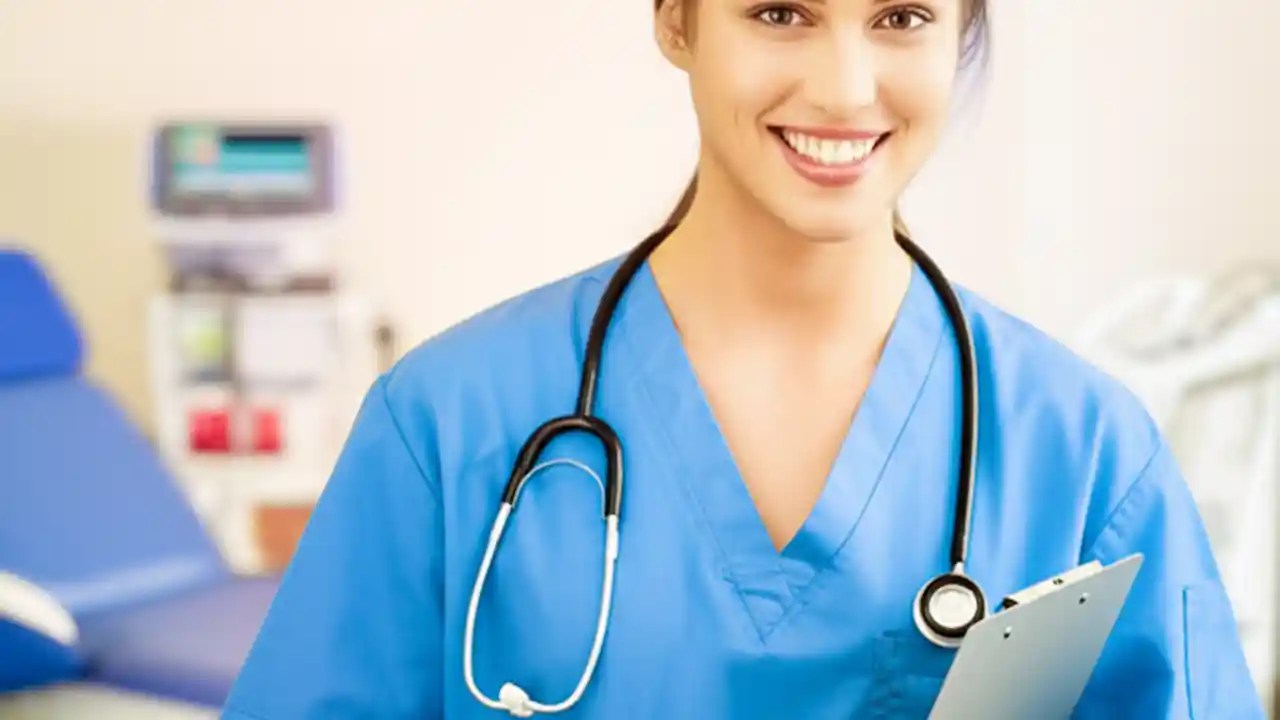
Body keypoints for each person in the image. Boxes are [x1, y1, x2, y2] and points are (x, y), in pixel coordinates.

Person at [222, 0, 1263, 717]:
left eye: (901, 17)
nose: (844, 88)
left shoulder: (1082, 451)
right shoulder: (448, 421)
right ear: (675, 20)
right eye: (778, 12)